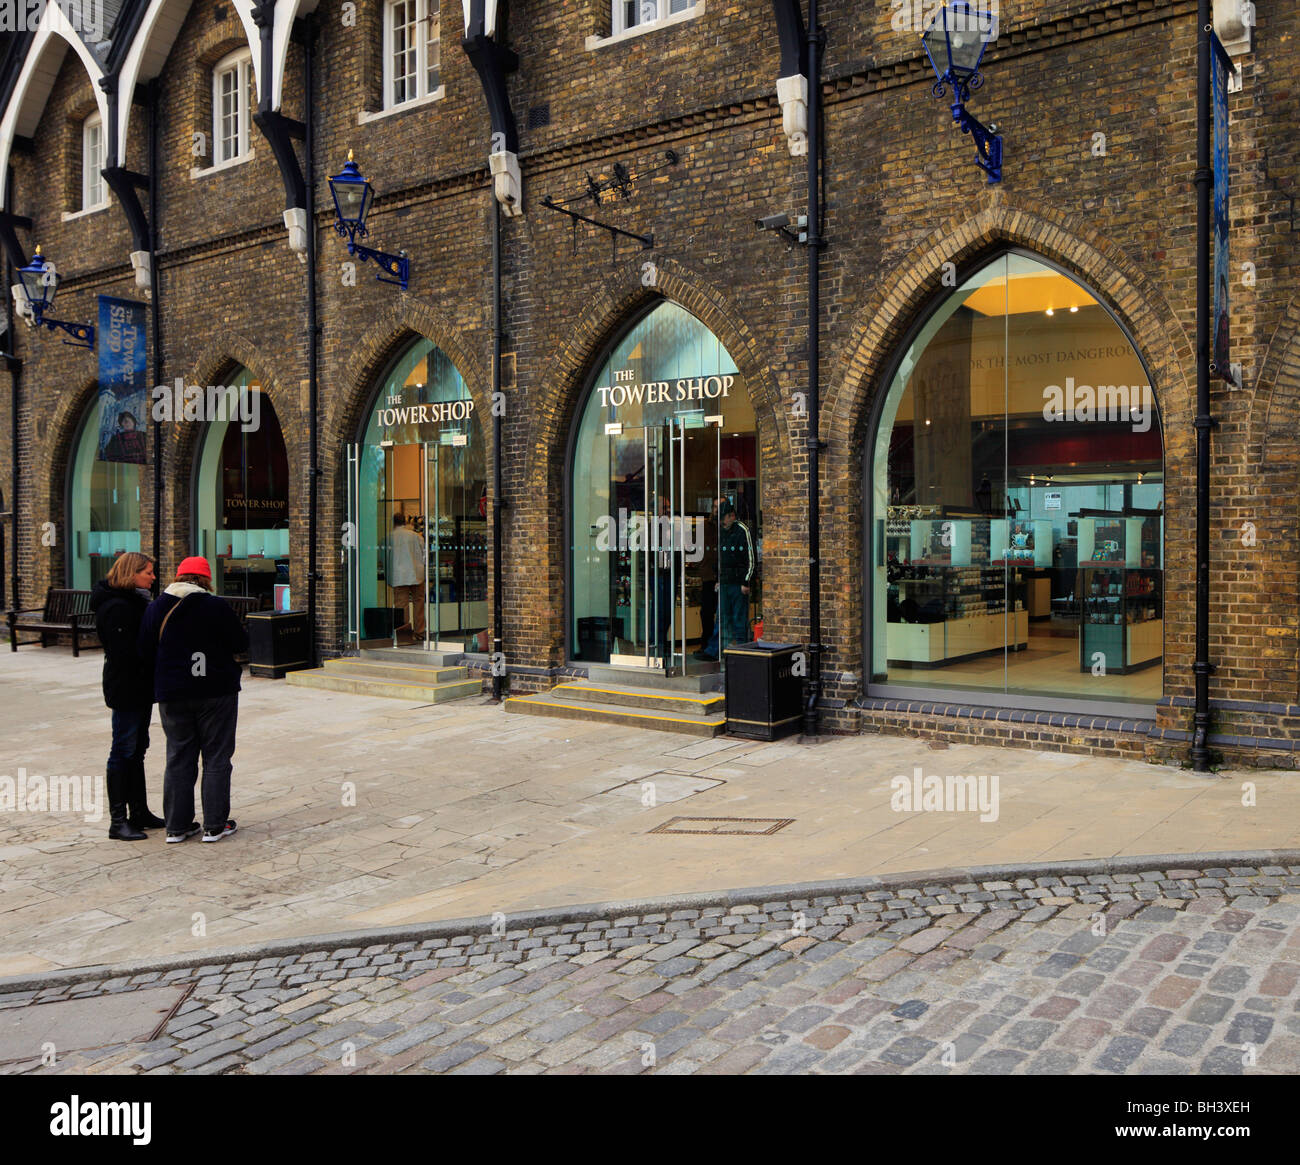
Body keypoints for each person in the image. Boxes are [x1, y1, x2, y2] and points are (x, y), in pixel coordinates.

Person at [138, 556, 248, 843]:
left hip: (172, 693)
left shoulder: (157, 607)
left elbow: (144, 650)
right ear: (206, 579)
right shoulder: (216, 606)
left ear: (178, 577)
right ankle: (214, 825)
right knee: (216, 757)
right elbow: (241, 643)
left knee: (178, 756)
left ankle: (177, 826)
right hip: (216, 692)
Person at [90, 551, 164, 841]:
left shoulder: (135, 602)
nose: (153, 577)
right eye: (148, 572)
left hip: (140, 686)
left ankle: (139, 813)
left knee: (137, 749)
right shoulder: (118, 607)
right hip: (127, 688)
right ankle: (117, 821)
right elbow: (124, 653)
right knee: (122, 751)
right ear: (132, 574)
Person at [694, 500, 756, 661]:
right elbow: (720, 559)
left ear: (731, 516)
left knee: (738, 618)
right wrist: (718, 578)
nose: (722, 522)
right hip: (726, 581)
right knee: (722, 618)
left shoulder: (742, 530)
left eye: (724, 518)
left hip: (737, 583)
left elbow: (750, 558)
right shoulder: (723, 531)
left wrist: (746, 581)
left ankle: (742, 652)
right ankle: (717, 650)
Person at [389, 512, 426, 639]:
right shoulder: (416, 536)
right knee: (419, 603)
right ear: (405, 522)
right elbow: (425, 554)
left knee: (401, 605)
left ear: (393, 523)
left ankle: (404, 634)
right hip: (417, 573)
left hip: (399, 575)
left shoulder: (389, 537)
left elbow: (384, 557)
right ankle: (420, 632)